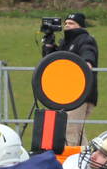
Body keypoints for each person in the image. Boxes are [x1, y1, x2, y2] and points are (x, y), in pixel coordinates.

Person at [42, 13, 99, 146]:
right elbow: (51, 63)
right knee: (76, 131)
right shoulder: (65, 43)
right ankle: (87, 160)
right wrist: (49, 45)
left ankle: (72, 161)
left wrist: (87, 63)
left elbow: (88, 55)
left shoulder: (85, 39)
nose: (67, 26)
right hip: (65, 94)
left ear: (81, 26)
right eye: (66, 23)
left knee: (71, 130)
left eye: (72, 23)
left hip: (80, 94)